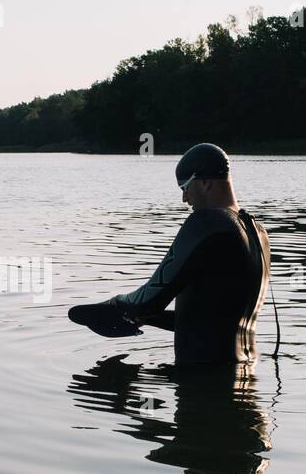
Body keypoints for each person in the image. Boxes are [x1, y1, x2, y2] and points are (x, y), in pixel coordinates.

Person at [69, 143, 272, 364]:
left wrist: (115, 305)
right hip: (246, 373)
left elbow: (148, 299)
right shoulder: (257, 232)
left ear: (204, 182)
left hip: (199, 382)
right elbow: (216, 320)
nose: (185, 199)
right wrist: (148, 318)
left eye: (185, 187)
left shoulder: (207, 223)